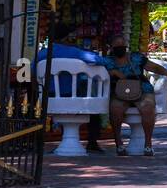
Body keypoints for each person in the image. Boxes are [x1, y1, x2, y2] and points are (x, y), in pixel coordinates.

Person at [36, 26, 113, 154]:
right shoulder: (75, 52)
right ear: (66, 38)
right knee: (91, 95)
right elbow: (99, 60)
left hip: (49, 97)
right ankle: (92, 142)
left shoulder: (42, 54)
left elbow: (32, 71)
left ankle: (38, 142)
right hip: (73, 96)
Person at [106, 33, 167, 157]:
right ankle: (119, 143)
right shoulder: (107, 61)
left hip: (141, 88)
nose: (121, 48)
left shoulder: (136, 57)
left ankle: (148, 144)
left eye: (123, 45)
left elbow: (153, 67)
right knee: (115, 109)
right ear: (111, 47)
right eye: (117, 46)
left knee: (148, 106)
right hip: (119, 91)